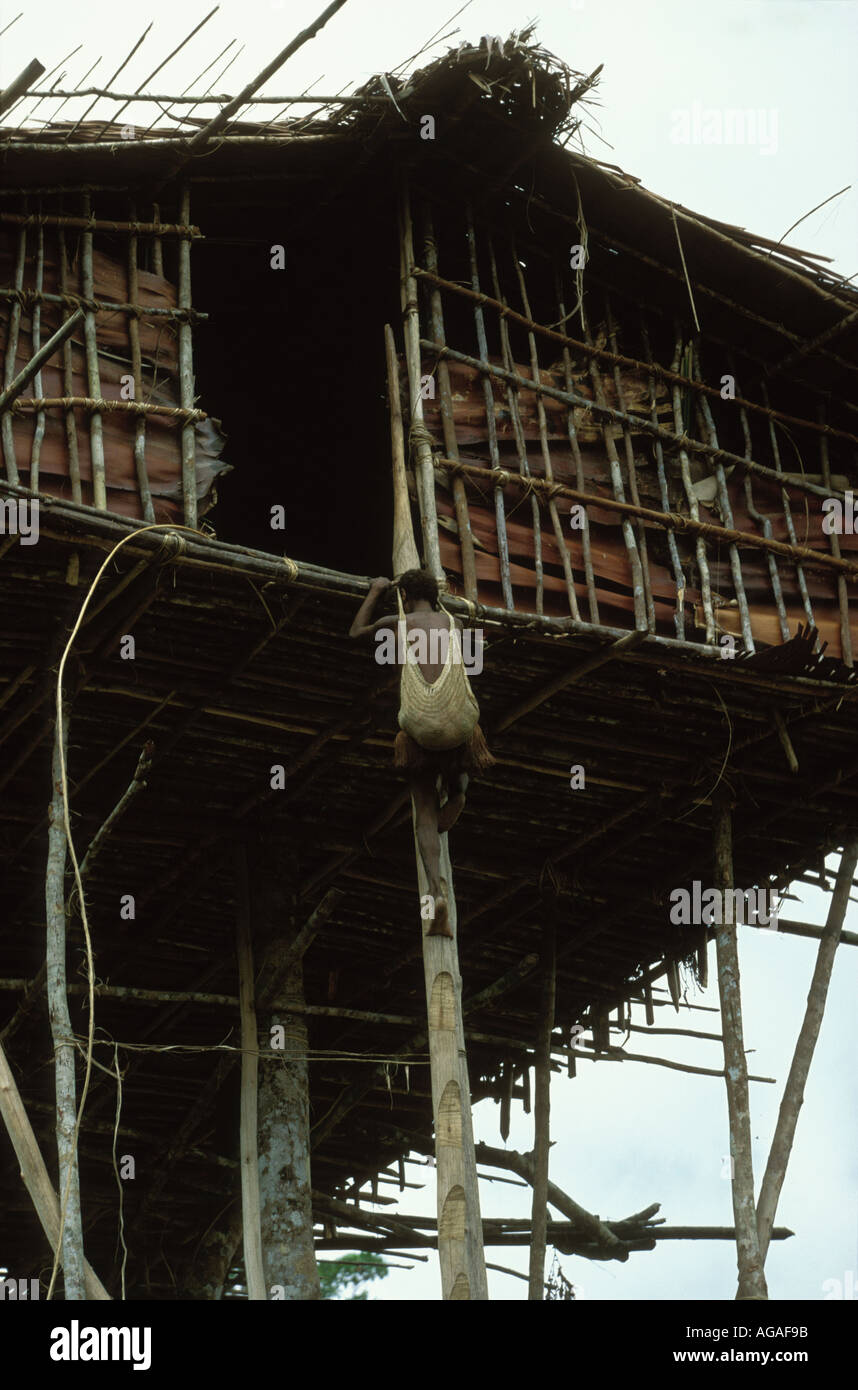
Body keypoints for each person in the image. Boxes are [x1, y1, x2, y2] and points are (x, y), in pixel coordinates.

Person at [349, 568, 494, 937]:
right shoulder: (456, 623)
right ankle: (460, 792)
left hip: (421, 729)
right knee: (460, 732)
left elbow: (354, 633)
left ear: (406, 597)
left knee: (425, 814)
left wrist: (376, 590)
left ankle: (435, 891)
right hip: (457, 726)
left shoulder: (400, 621)